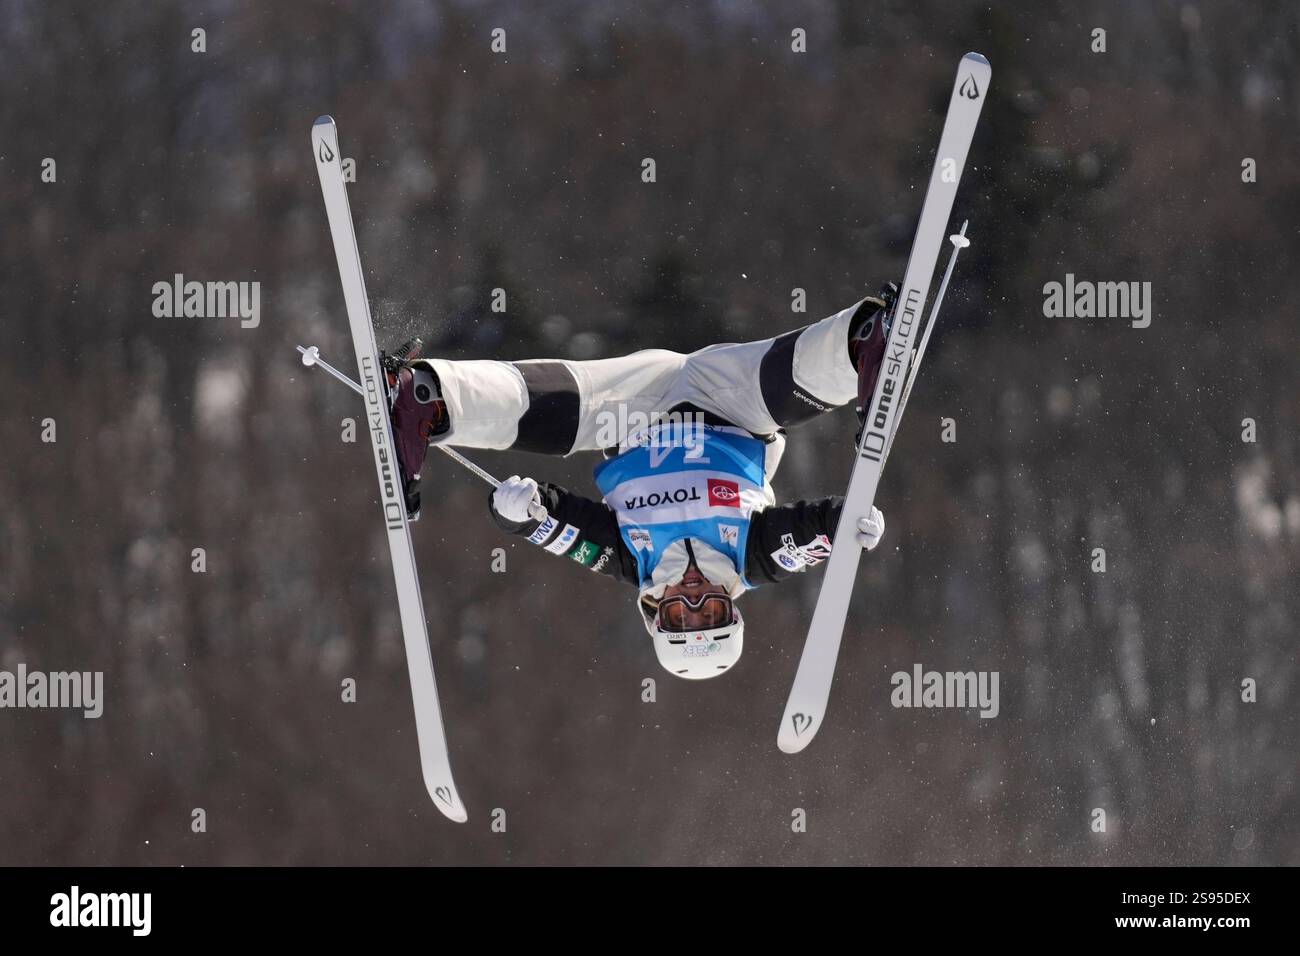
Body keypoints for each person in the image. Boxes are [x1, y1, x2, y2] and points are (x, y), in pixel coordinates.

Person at [382, 285, 897, 679]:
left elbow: (563, 529)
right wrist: (850, 526)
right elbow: (811, 532)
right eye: (712, 611)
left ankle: (427, 395)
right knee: (783, 388)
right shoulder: (753, 558)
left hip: (632, 416)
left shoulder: (633, 561)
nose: (694, 597)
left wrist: (518, 515)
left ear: (658, 613)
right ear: (732, 610)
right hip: (729, 404)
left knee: (561, 408)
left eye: (682, 614)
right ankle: (863, 341)